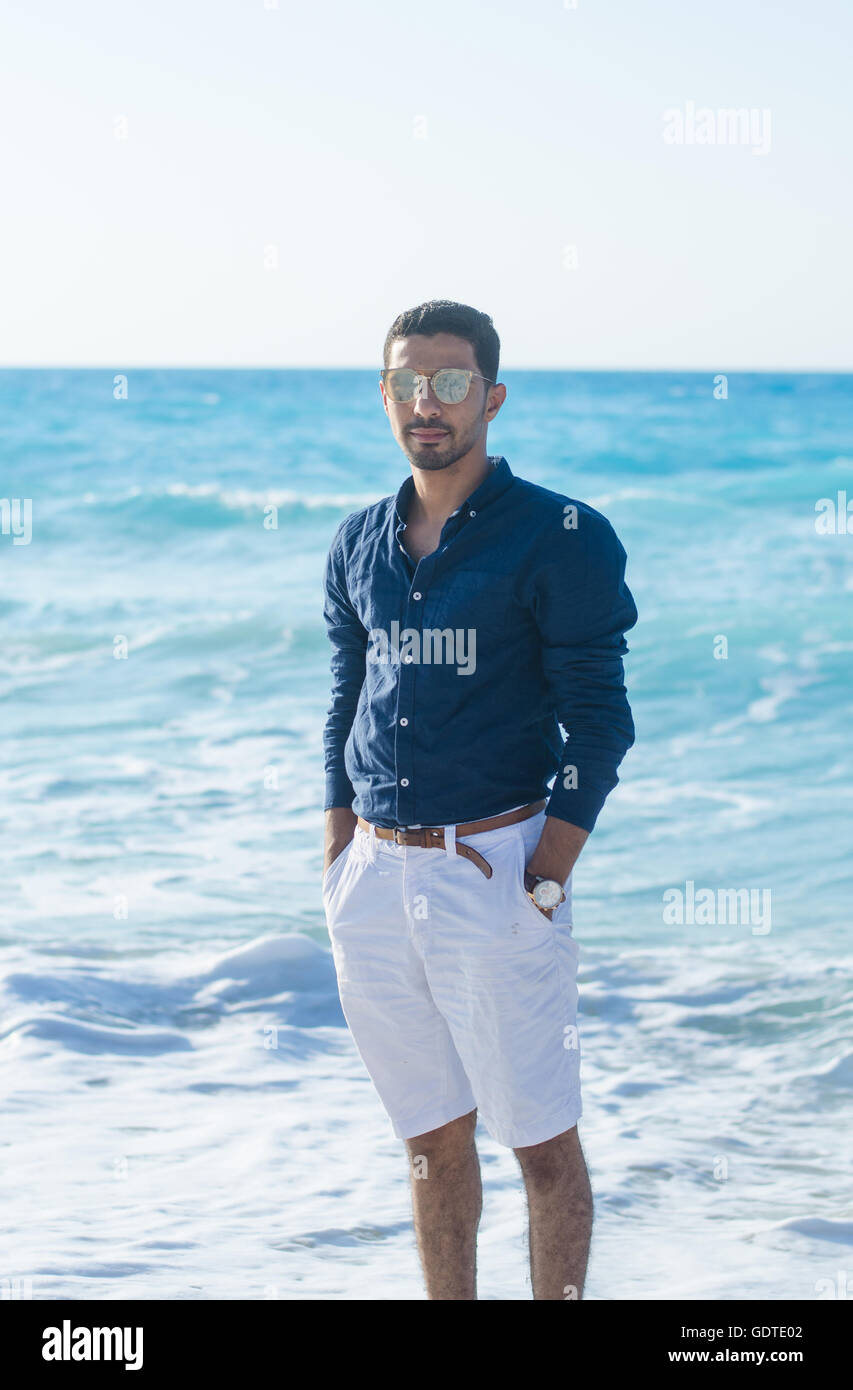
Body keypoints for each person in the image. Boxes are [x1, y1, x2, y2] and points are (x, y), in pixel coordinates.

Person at [321, 299, 637, 1300]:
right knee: (428, 1138)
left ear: (490, 398)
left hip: (495, 873)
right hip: (374, 880)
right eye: (410, 381)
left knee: (540, 1142)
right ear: (385, 396)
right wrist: (339, 855)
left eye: (451, 382)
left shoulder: (560, 536)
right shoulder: (359, 542)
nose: (430, 401)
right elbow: (344, 695)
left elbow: (601, 723)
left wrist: (543, 878)